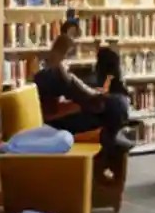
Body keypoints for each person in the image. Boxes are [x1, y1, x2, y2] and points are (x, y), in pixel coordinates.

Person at [33, 34, 132, 180]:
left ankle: (66, 77)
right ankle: (86, 92)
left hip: (89, 119)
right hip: (84, 120)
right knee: (114, 103)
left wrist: (81, 103)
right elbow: (54, 112)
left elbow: (59, 110)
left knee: (112, 102)